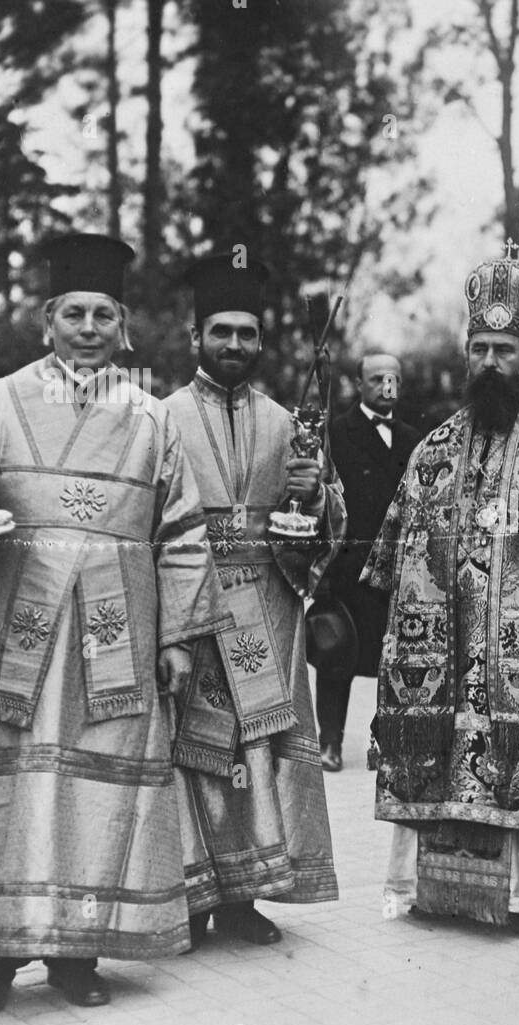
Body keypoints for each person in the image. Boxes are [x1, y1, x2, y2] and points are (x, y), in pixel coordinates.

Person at [0, 233, 231, 1014]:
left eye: (102, 314)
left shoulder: (151, 418)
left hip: (113, 637)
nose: (87, 326)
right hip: (8, 623)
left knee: (91, 792)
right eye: (73, 312)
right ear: (47, 319)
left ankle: (75, 954)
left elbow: (181, 532)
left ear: (123, 327)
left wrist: (177, 637)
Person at [363, 243, 519, 938]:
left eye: (505, 348)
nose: (491, 362)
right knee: (438, 748)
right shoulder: (432, 448)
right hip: (443, 646)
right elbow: (389, 556)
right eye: (481, 347)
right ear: (465, 354)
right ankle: (434, 891)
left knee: (518, 757)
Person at [165, 253, 344, 948]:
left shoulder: (287, 421)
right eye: (221, 331)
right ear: (195, 338)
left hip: (267, 603)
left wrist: (312, 491)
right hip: (196, 599)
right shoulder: (163, 416)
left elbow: (330, 522)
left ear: (261, 341)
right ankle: (192, 895)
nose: (234, 344)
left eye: (246, 333)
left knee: (258, 747)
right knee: (196, 750)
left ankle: (246, 895)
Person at [315, 353, 420, 772]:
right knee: (335, 652)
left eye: (393, 378)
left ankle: (384, 741)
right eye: (377, 379)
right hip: (349, 564)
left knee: (392, 656)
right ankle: (330, 742)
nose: (386, 387)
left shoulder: (414, 437)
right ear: (359, 384)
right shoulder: (336, 433)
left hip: (396, 565)